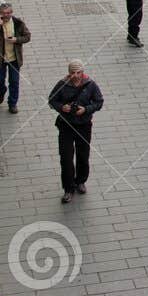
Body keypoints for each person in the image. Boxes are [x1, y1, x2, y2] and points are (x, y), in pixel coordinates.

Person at [48, 60, 103, 204]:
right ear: (69, 73)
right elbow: (52, 100)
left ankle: (80, 181)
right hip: (66, 125)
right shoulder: (62, 84)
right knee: (66, 158)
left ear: (82, 72)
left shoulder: (90, 84)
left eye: (78, 72)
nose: (76, 76)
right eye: (73, 73)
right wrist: (62, 108)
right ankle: (68, 188)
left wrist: (86, 109)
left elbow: (99, 102)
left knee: (83, 155)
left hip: (84, 125)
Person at [0, 3, 30, 114]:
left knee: (14, 82)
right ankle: (2, 91)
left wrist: (16, 39)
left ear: (11, 12)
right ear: (0, 13)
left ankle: (12, 104)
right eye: (4, 13)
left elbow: (27, 36)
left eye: (8, 13)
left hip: (14, 59)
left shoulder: (18, 23)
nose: (6, 15)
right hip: (0, 58)